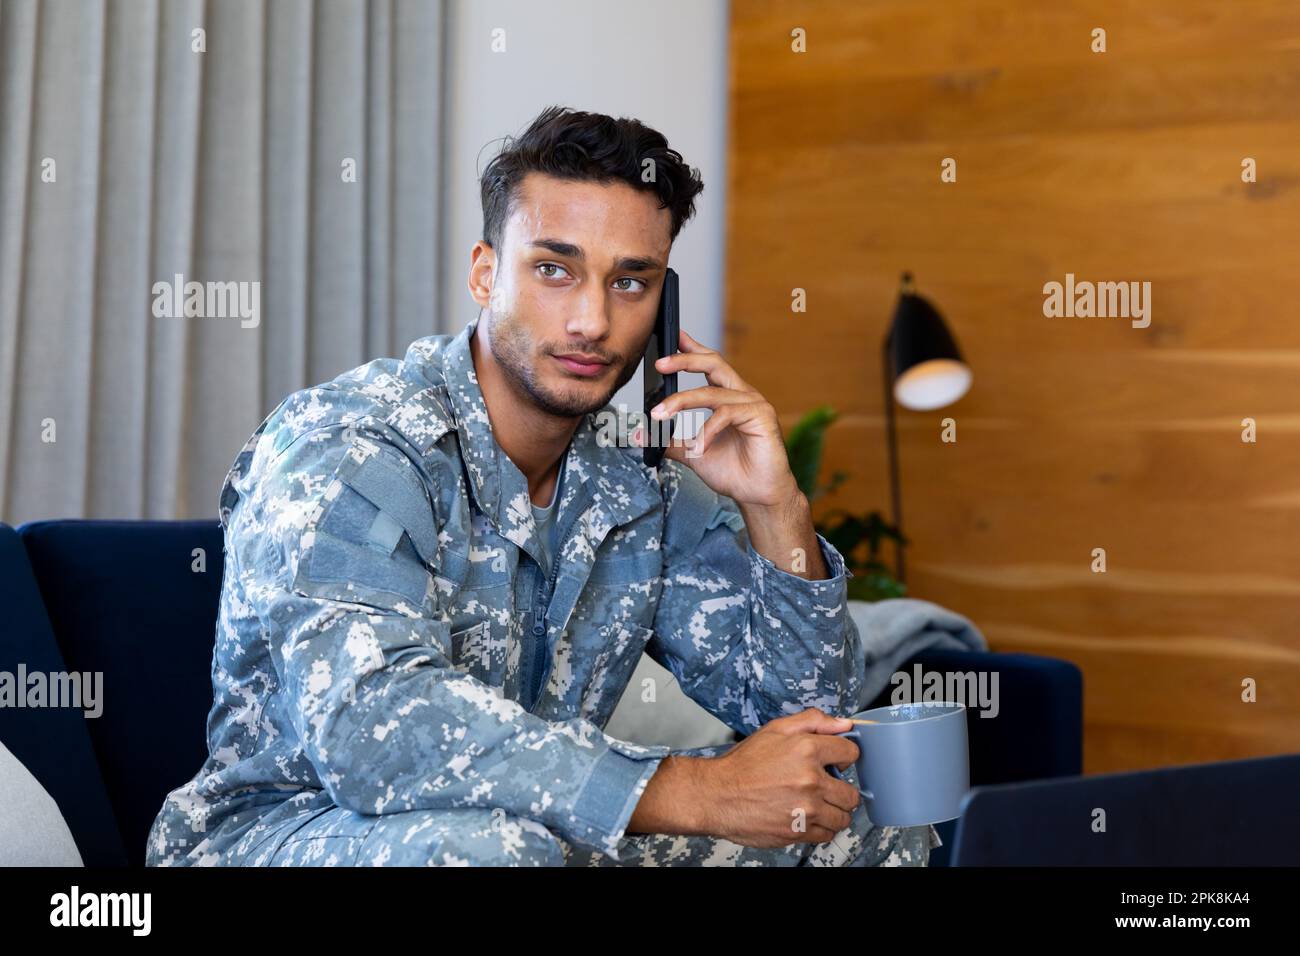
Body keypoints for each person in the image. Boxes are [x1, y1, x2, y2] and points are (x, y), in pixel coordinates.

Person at [145, 105, 939, 867]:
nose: (592, 321)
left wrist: (776, 508)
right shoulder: (349, 443)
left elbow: (801, 718)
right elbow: (371, 732)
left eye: (631, 282)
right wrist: (690, 790)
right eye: (555, 269)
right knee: (496, 851)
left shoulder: (639, 481)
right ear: (485, 273)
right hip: (287, 834)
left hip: (527, 829)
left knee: (847, 814)